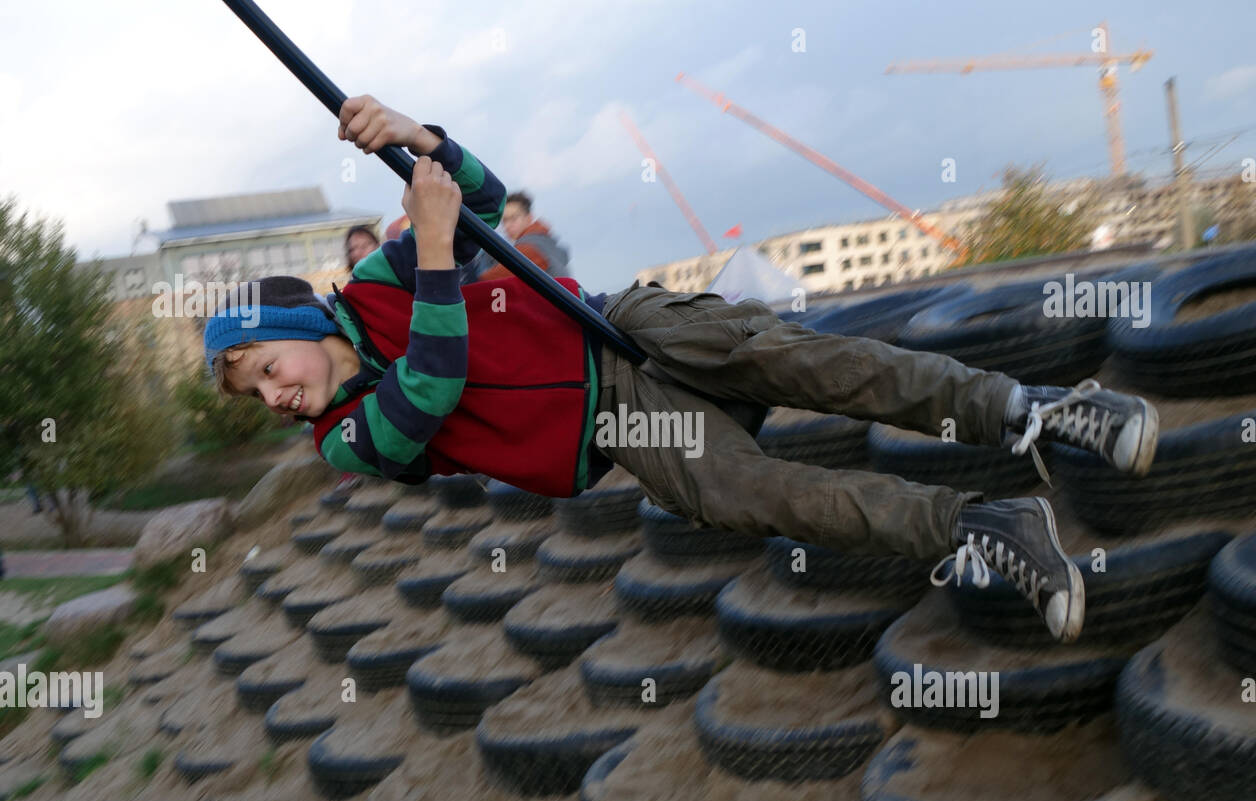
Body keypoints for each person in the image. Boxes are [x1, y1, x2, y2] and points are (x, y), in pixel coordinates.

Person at [204, 95, 1159, 643]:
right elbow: (432, 387)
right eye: (256, 396)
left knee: (801, 359)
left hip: (612, 325)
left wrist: (419, 141)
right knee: (756, 493)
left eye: (264, 365)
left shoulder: (381, 280)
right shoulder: (342, 442)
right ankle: (987, 523)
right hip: (612, 429)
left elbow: (484, 199)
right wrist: (443, 248)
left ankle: (1030, 410)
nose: (274, 395)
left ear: (298, 318)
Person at [463, 190, 570, 284]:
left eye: (513, 218)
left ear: (529, 218)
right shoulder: (547, 242)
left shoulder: (531, 246)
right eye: (505, 220)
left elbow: (488, 279)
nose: (508, 225)